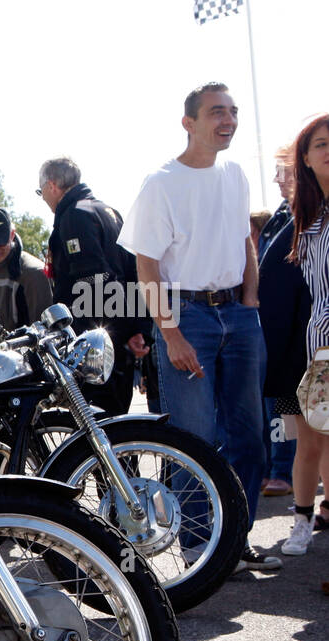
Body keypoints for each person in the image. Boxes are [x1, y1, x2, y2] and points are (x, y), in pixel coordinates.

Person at [117, 81, 280, 573]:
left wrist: (250, 301)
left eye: (232, 111)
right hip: (187, 317)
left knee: (251, 438)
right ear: (189, 122)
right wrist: (171, 334)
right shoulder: (161, 183)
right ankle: (198, 548)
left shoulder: (235, 175)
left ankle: (235, 539)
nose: (227, 120)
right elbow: (146, 267)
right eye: (216, 112)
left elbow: (245, 243)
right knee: (196, 440)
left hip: (238, 316)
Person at [39, 157, 150, 414]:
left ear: (52, 185)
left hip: (96, 345)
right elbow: (134, 272)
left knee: (100, 429)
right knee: (120, 427)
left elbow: (94, 279)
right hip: (120, 338)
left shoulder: (74, 216)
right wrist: (135, 328)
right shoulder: (109, 212)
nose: (43, 197)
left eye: (41, 190)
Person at [284, 113, 329, 564]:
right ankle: (301, 519)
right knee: (313, 437)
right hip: (321, 344)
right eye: (320, 143)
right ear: (307, 158)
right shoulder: (306, 217)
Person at [260, 146, 302, 500]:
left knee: (291, 407)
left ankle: (281, 471)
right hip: (277, 331)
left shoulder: (309, 215)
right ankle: (278, 469)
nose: (276, 178)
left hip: (301, 332)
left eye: (282, 171)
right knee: (281, 407)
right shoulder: (281, 216)